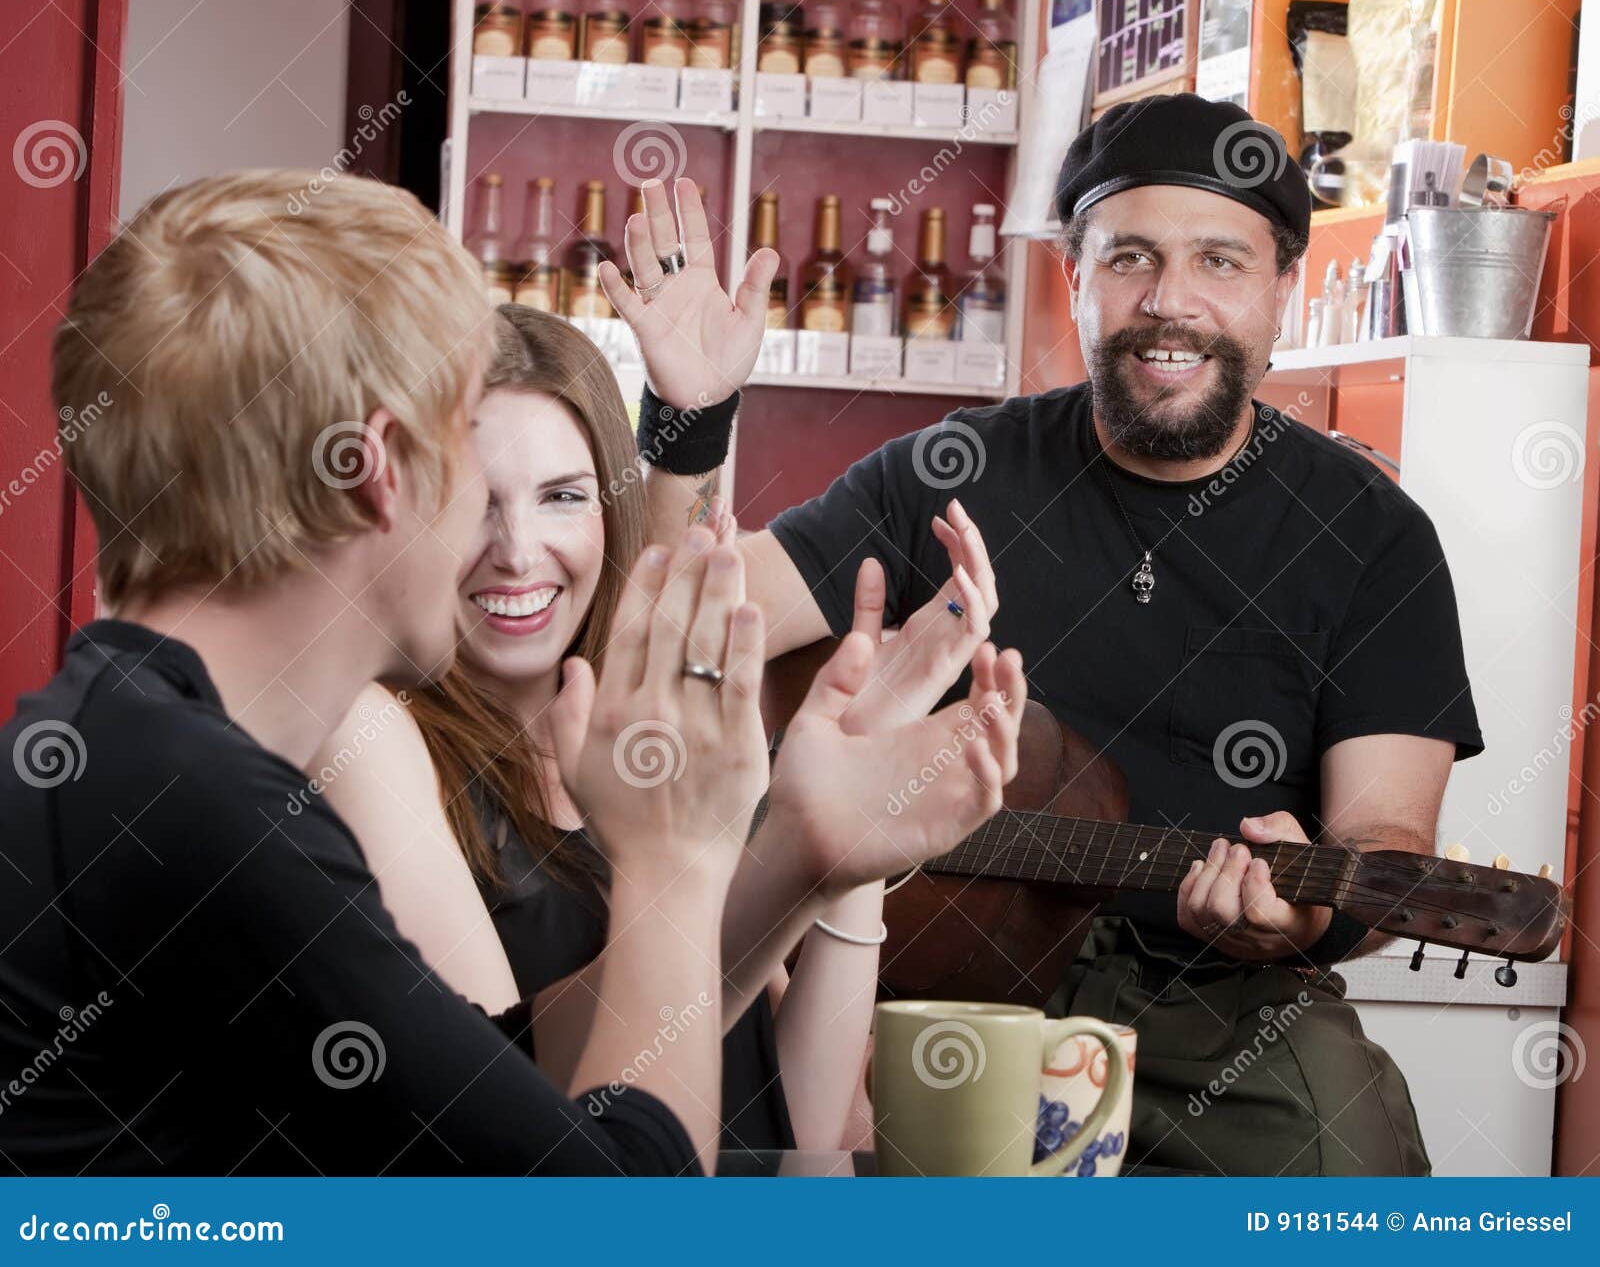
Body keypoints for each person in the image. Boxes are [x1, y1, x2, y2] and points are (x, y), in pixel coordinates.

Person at [0, 169, 1023, 1175]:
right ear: (378, 469)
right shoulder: (200, 806)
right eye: (468, 460)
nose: (508, 543)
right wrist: (673, 860)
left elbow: (507, 1092)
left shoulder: (142, 750)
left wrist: (799, 851)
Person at [599, 96, 1483, 1176]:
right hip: (909, 987)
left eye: (1218, 262)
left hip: (1209, 1002)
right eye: (1129, 259)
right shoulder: (946, 471)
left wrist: (1299, 922)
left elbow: (1387, 832)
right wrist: (689, 419)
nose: (1170, 303)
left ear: (1281, 293)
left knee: (1355, 1158)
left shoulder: (1371, 535)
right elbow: (678, 637)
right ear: (1075, 277)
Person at [313, 304, 1023, 1150]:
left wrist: (848, 842)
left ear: (608, 511)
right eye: (470, 502)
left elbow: (796, 1121)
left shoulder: (662, 734)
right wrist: (785, 852)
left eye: (562, 497)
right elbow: (493, 1108)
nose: (516, 549)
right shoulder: (372, 738)